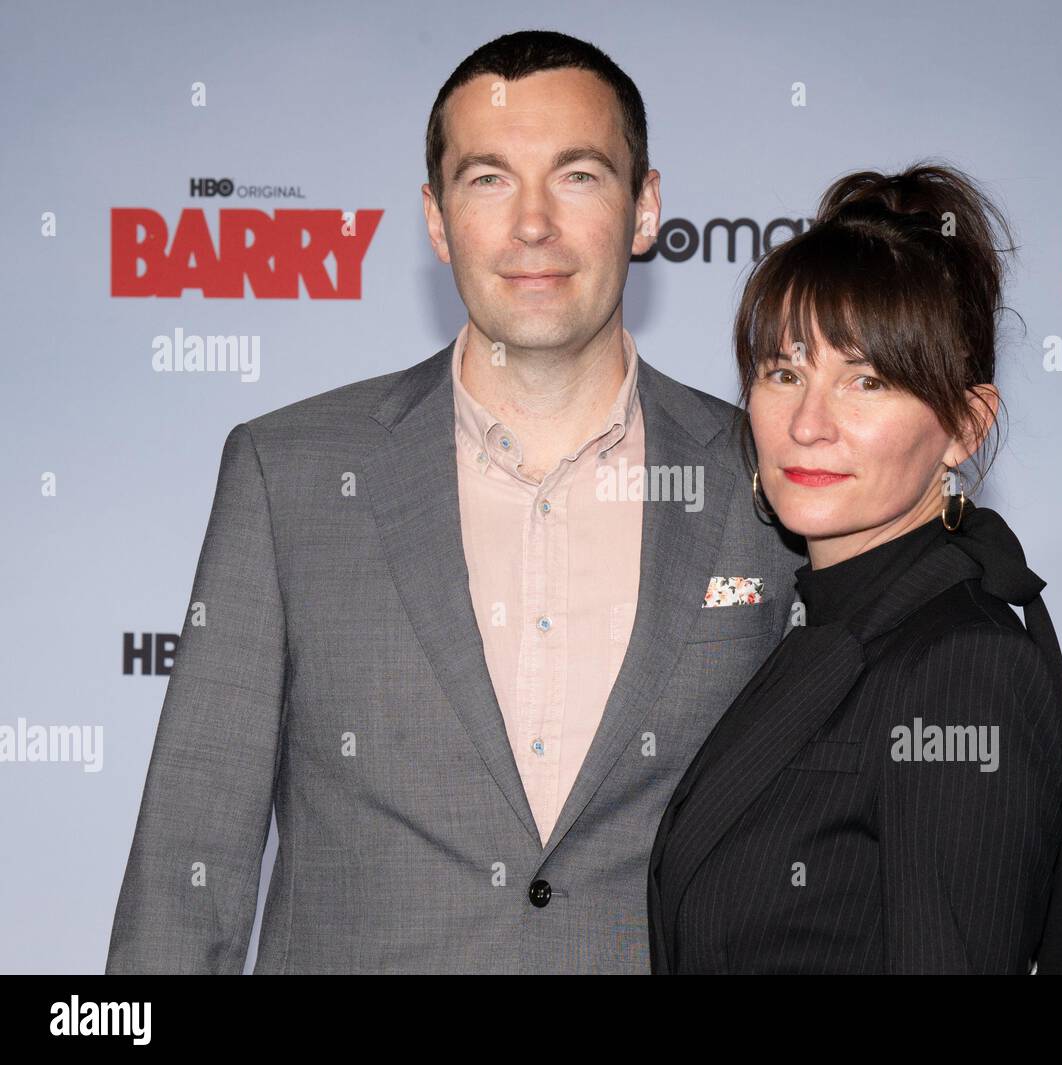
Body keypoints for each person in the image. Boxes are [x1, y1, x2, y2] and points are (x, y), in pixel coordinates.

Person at [106, 30, 805, 974]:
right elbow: (187, 875)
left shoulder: (768, 476)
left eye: (578, 176)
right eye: (487, 179)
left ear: (646, 209)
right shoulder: (290, 474)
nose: (531, 224)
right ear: (436, 221)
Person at [647, 162, 1062, 974]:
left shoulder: (962, 666)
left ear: (965, 424)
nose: (809, 423)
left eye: (868, 380)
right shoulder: (827, 627)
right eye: (784, 371)